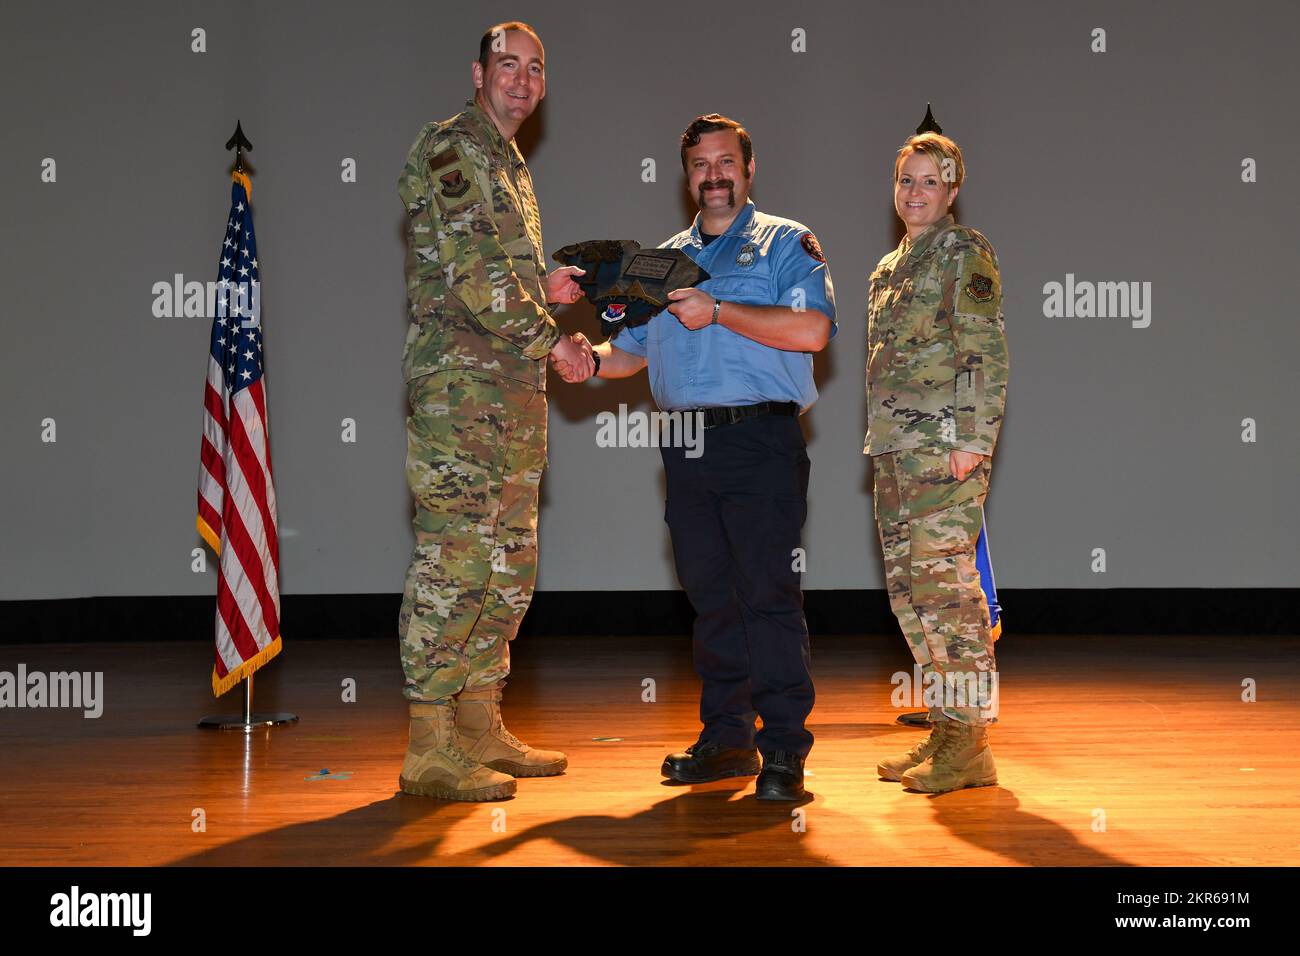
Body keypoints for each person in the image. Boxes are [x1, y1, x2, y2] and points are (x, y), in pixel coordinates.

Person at [563, 114, 835, 801]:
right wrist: (584, 358)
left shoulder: (784, 244)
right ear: (686, 176)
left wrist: (719, 311)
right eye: (700, 166)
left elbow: (812, 330)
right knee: (711, 597)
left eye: (725, 163)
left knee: (766, 596)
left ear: (749, 168)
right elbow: (629, 355)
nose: (714, 176)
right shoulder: (654, 262)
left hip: (759, 441)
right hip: (685, 447)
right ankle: (728, 738)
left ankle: (782, 751)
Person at [394, 21, 593, 802]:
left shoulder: (511, 168)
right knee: (457, 560)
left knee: (508, 565)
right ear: (477, 72)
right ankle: (427, 744)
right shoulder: (449, 149)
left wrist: (544, 289)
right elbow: (476, 276)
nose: (521, 78)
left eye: (534, 68)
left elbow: (483, 275)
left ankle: (477, 722)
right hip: (461, 399)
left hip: (510, 401)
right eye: (507, 64)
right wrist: (556, 342)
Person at [866, 123, 1009, 793]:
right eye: (906, 178)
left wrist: (974, 439)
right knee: (912, 596)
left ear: (953, 189)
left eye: (930, 180)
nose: (914, 191)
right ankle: (947, 731)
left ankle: (971, 743)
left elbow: (982, 347)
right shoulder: (890, 267)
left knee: (949, 596)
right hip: (895, 453)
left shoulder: (963, 250)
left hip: (944, 450)